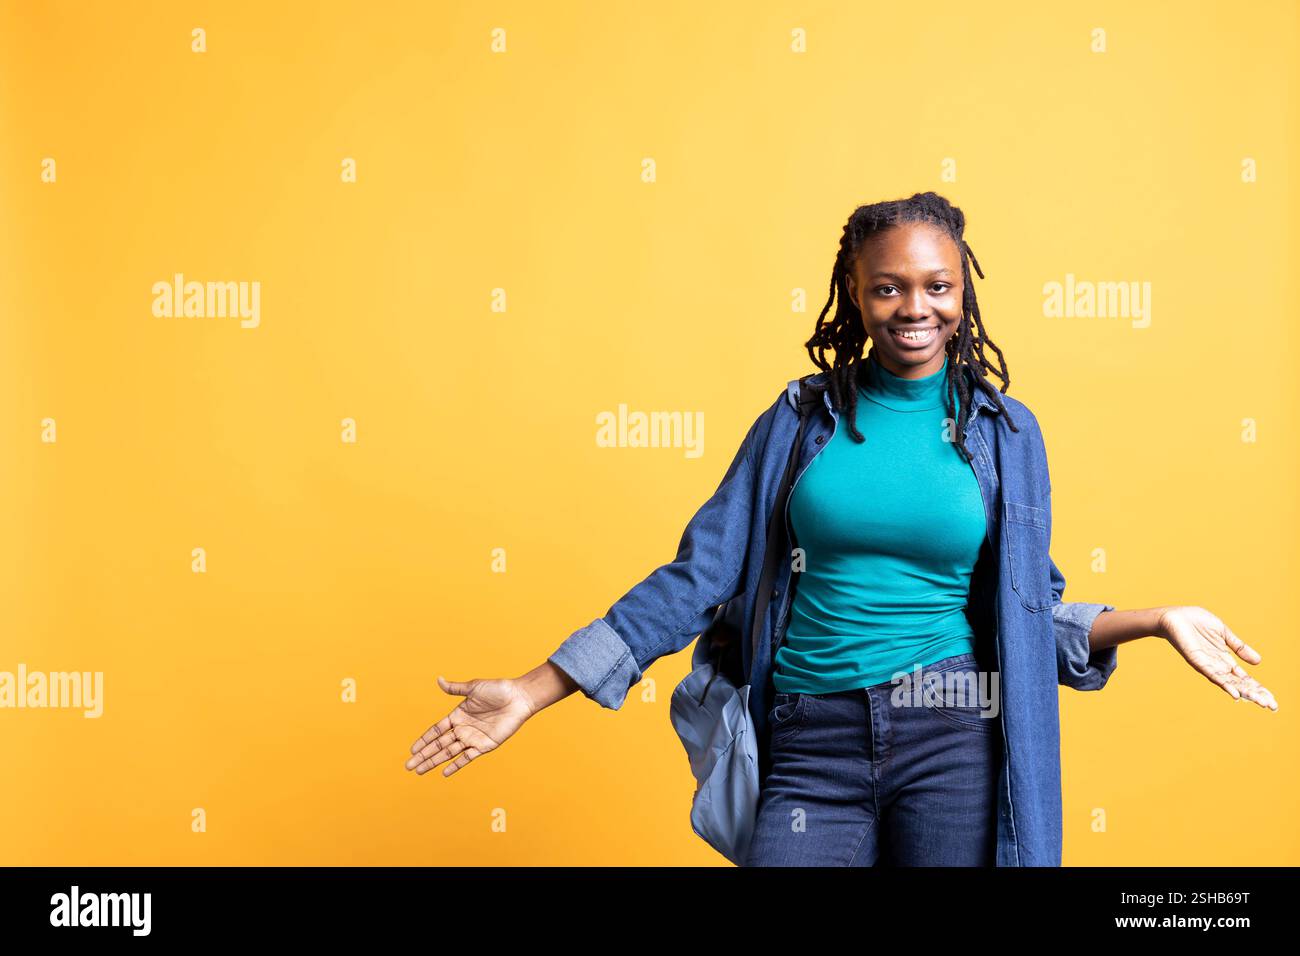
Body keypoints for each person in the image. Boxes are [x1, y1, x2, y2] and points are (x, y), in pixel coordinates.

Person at [403, 191, 1278, 866]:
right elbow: (698, 578)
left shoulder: (1007, 434)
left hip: (956, 730)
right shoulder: (797, 422)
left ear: (964, 292)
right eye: (887, 287)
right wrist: (535, 686)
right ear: (853, 295)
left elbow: (1028, 608)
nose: (914, 307)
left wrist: (1158, 620)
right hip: (810, 735)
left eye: (937, 286)